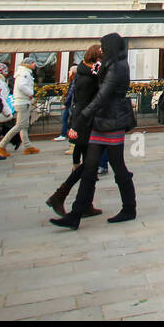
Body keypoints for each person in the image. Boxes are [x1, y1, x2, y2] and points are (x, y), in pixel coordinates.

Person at [50, 33, 136, 229]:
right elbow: (90, 75)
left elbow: (103, 95)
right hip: (100, 120)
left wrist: (81, 118)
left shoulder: (117, 66)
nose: (101, 50)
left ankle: (129, 208)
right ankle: (75, 214)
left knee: (118, 167)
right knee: (89, 168)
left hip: (112, 120)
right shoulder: (108, 63)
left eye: (104, 47)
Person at [46, 45, 104, 218]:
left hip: (86, 123)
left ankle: (84, 203)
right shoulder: (87, 78)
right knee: (89, 165)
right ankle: (60, 195)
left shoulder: (86, 73)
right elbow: (83, 104)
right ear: (96, 60)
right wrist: (76, 126)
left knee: (90, 166)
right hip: (87, 125)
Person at [0, 57, 40, 156]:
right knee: (19, 125)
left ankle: (27, 146)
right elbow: (22, 86)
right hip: (22, 102)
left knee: (24, 126)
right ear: (28, 64)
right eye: (33, 62)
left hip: (23, 102)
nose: (34, 64)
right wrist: (30, 93)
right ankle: (2, 145)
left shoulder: (24, 72)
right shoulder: (24, 73)